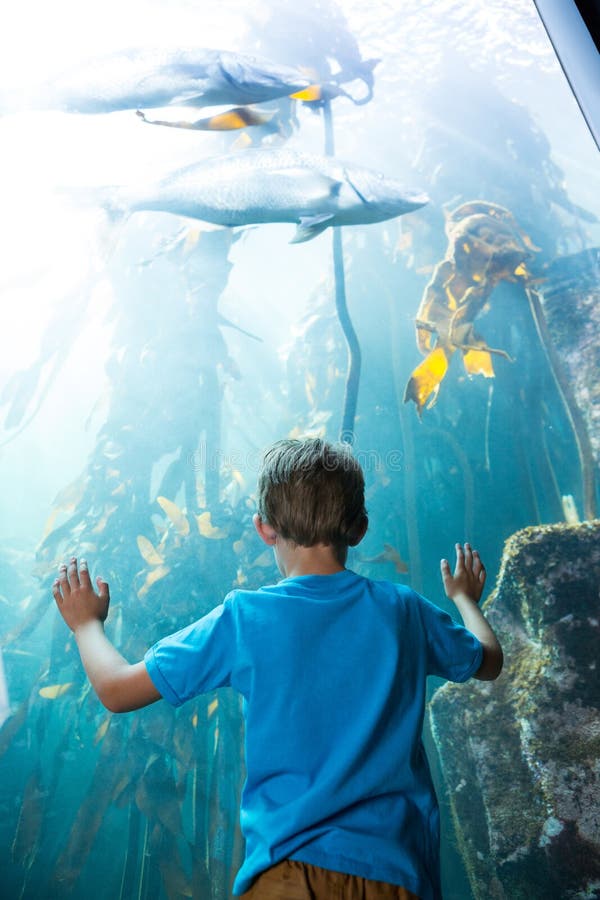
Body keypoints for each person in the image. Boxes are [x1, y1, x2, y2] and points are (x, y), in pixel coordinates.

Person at [53, 437, 503, 900]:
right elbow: (488, 661)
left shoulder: (244, 619)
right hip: (394, 874)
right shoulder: (404, 611)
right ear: (360, 528)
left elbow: (116, 689)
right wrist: (464, 598)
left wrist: (86, 624)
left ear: (264, 528)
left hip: (283, 877)